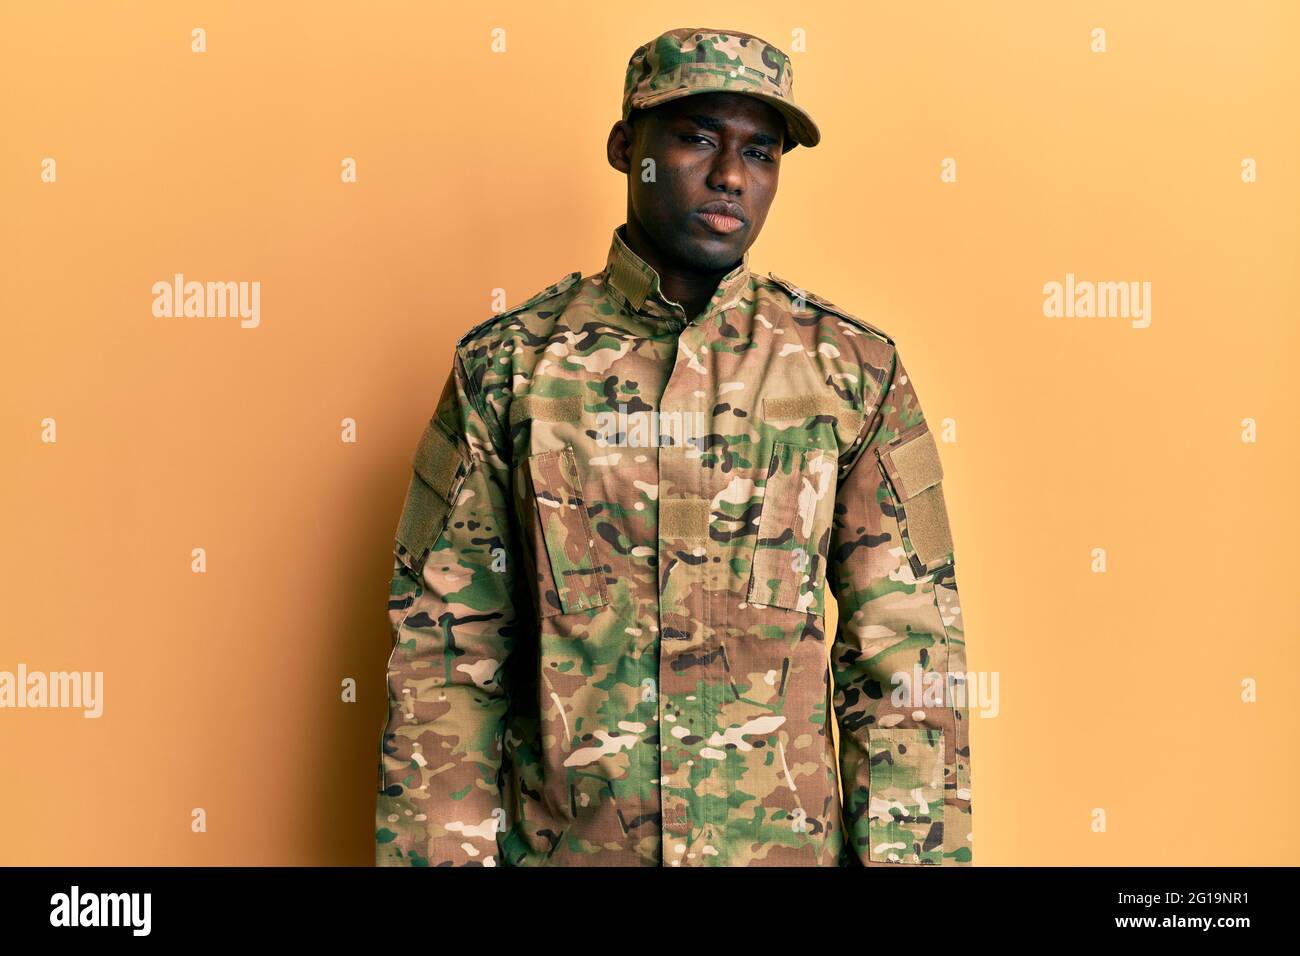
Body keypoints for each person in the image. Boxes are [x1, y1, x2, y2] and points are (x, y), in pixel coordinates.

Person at [375, 26, 973, 867]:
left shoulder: (854, 373)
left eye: (760, 152)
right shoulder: (508, 370)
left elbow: (909, 660)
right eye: (696, 137)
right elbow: (446, 660)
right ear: (628, 147)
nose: (731, 175)